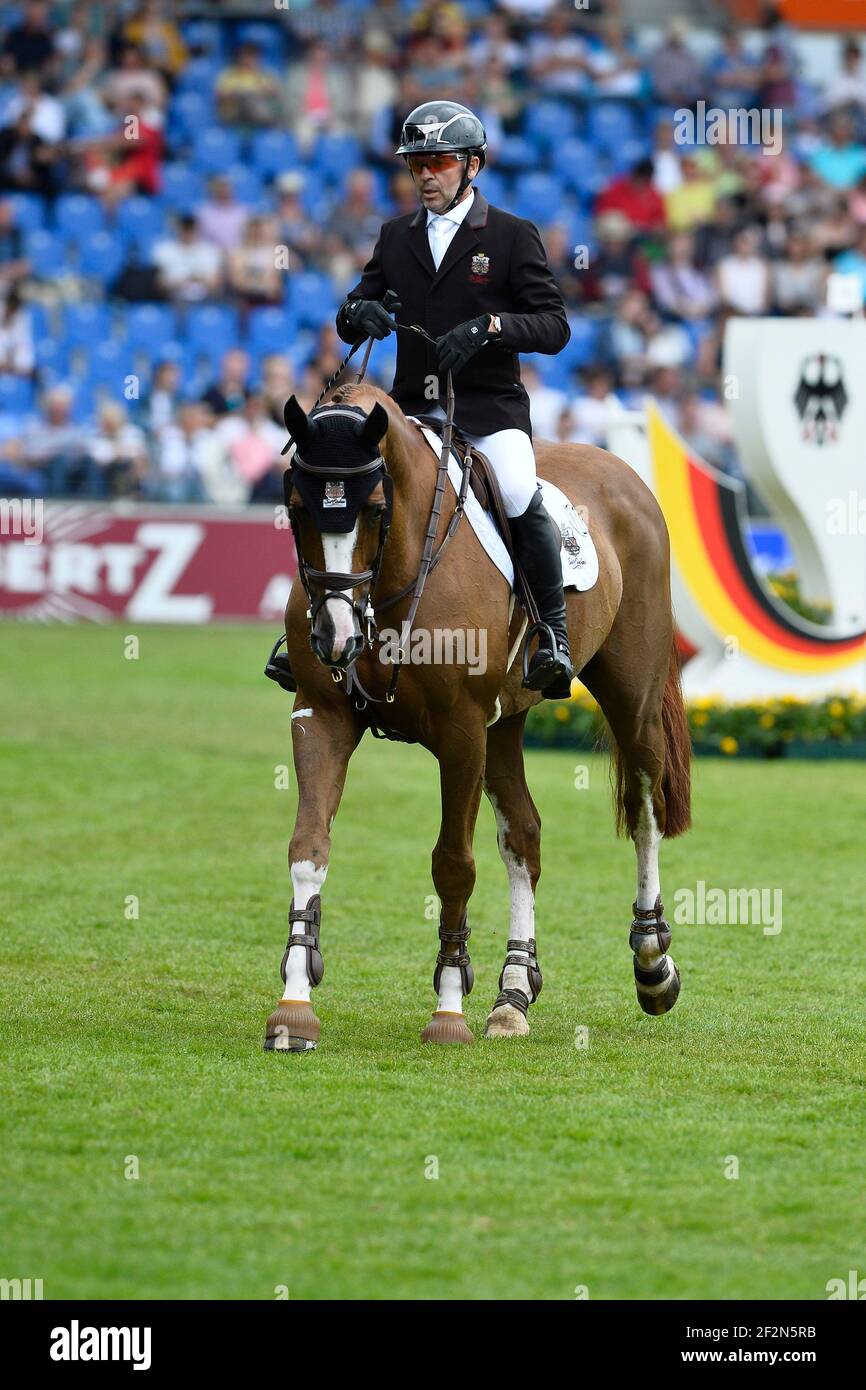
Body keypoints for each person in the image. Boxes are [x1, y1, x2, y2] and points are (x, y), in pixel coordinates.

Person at [274, 99, 574, 699]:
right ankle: (310, 635)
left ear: (472, 165)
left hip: (489, 411)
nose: (425, 176)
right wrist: (357, 312)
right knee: (346, 482)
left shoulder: (513, 236)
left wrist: (491, 328)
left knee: (517, 489)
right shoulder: (396, 236)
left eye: (438, 162)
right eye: (417, 165)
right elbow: (352, 312)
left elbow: (554, 326)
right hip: (412, 411)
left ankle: (552, 637)